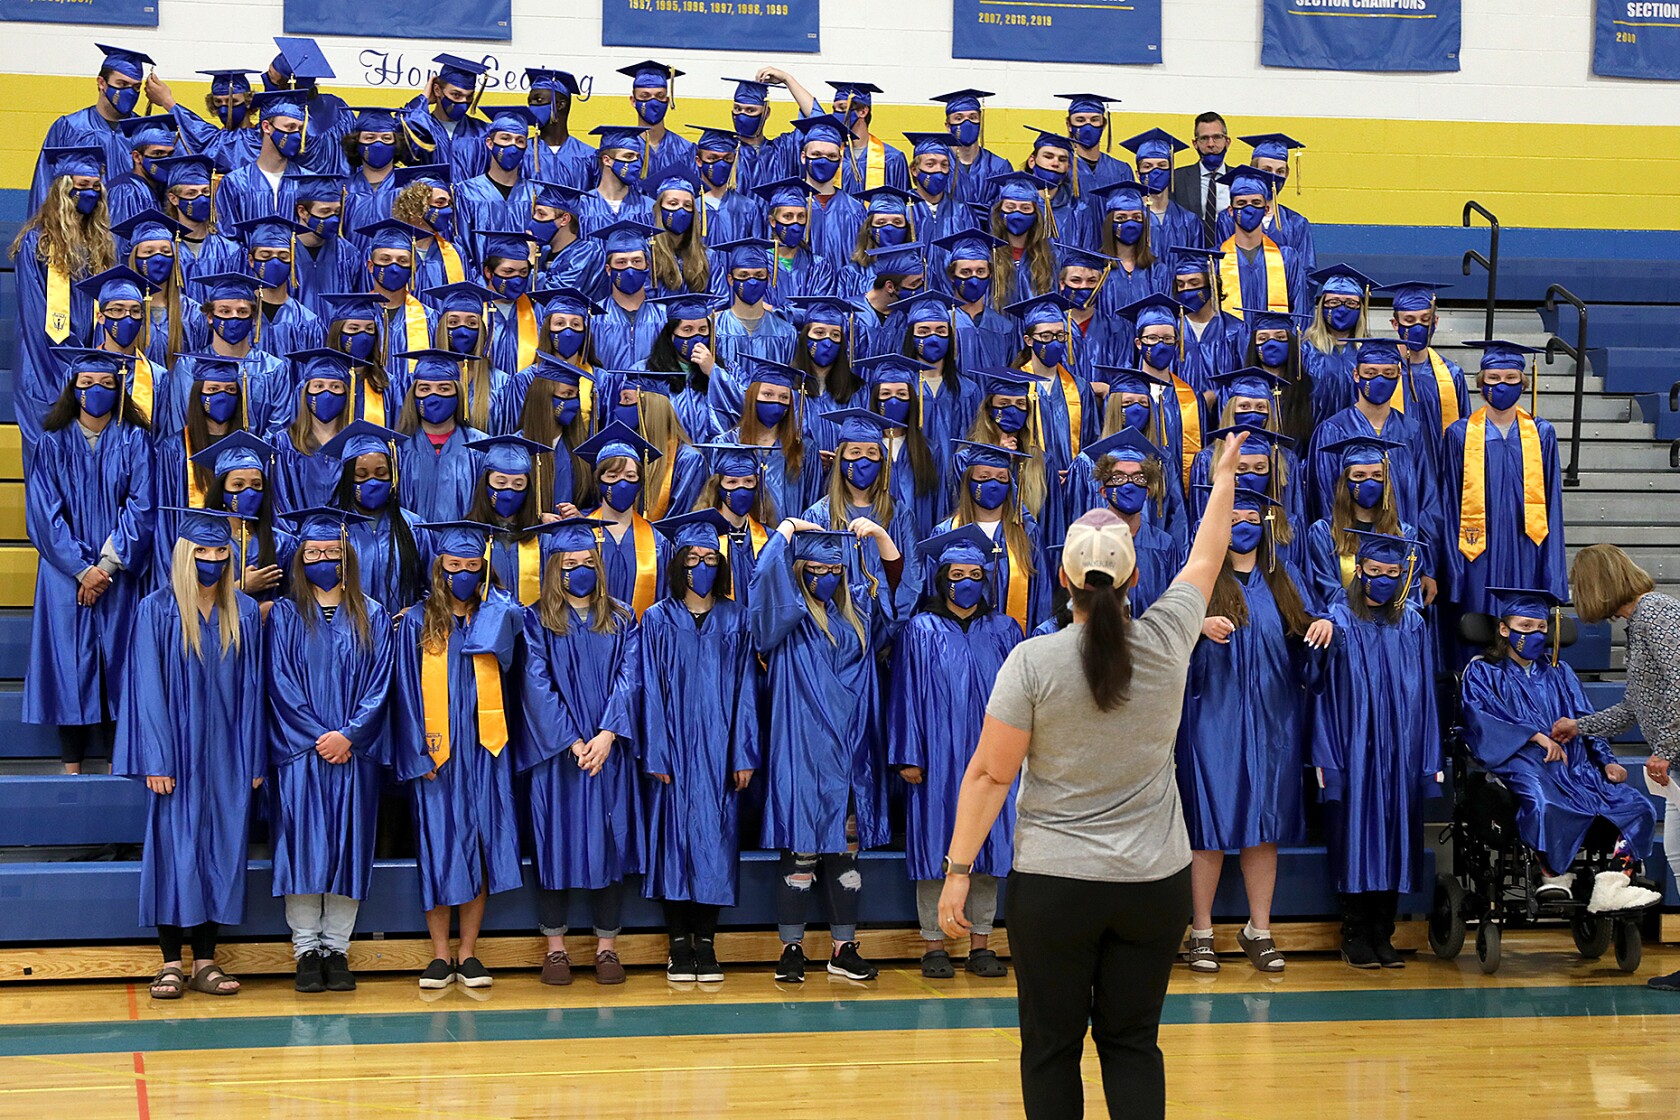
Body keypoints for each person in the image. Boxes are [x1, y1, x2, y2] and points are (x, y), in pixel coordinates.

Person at [938, 431, 1246, 1120]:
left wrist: (959, 870)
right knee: (1132, 1044)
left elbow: (988, 776)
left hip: (1055, 887)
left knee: (1051, 1049)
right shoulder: (1169, 639)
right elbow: (1206, 556)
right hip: (1154, 886)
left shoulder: (1033, 660)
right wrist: (1224, 475)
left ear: (1063, 577)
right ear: (1135, 579)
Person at [1179, 488, 1332, 975]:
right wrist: (1197, 626)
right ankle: (1201, 931)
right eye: (1232, 517)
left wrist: (1321, 631)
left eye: (1250, 516)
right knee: (1207, 825)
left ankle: (1259, 930)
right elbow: (1161, 634)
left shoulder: (1285, 577)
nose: (1241, 525)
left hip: (1272, 718)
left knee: (1264, 826)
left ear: (1265, 524)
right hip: (1211, 716)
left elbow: (1306, 649)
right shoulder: (1197, 576)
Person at [115, 507, 266, 1000]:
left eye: (221, 551)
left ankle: (206, 961)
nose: (212, 559)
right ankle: (169, 963)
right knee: (174, 850)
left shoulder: (243, 611)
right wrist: (156, 758)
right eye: (202, 550)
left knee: (221, 850)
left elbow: (254, 690)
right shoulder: (156, 609)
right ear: (184, 554)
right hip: (176, 753)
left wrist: (254, 758)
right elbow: (146, 689)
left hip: (227, 753)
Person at [389, 520, 529, 990]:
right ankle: (439, 955)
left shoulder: (496, 617)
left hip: (486, 751)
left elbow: (516, 660)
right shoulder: (416, 622)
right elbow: (405, 693)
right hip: (437, 757)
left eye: (473, 566)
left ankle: (468, 954)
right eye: (455, 566)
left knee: (480, 847)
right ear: (439, 569)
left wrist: (496, 602)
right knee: (439, 848)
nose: (464, 575)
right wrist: (418, 755)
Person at [1462, 586, 1659, 913]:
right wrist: (1535, 736)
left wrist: (1607, 761)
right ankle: (1554, 875)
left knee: (1638, 807)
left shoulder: (1560, 672)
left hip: (1576, 766)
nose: (1535, 635)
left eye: (1541, 628)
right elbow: (1480, 720)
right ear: (1504, 629)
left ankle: (1613, 883)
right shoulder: (1483, 672)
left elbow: (1585, 720)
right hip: (1523, 762)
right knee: (1545, 802)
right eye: (1525, 627)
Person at [750, 523, 889, 983]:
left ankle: (843, 948)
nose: (825, 577)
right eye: (815, 569)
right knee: (801, 851)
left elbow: (899, 602)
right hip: (802, 750)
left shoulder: (858, 617)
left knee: (846, 852)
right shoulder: (789, 620)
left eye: (834, 570)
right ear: (798, 571)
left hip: (850, 751)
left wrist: (882, 540)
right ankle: (790, 948)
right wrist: (785, 531)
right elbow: (764, 585)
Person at [266, 508, 394, 994]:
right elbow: (278, 683)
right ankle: (305, 950)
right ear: (300, 558)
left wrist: (350, 735)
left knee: (348, 848)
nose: (323, 560)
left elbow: (382, 685)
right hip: (300, 754)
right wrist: (319, 735)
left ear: (348, 558)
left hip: (353, 755)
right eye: (313, 552)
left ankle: (337, 950)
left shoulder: (373, 615)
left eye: (332, 553)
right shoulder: (284, 615)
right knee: (302, 849)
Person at [890, 525, 1021, 979]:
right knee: (936, 848)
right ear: (942, 578)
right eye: (957, 574)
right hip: (937, 759)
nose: (966, 582)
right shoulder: (919, 630)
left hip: (992, 757)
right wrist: (908, 753)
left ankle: (981, 943)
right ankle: (933, 944)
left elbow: (1021, 697)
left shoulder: (1005, 630)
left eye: (975, 574)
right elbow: (905, 693)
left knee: (987, 846)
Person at [518, 517, 641, 987]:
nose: (580, 570)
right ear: (554, 568)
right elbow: (535, 684)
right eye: (569, 564)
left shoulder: (623, 617)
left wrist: (607, 734)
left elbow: (632, 678)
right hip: (558, 757)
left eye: (588, 562)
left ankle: (607, 948)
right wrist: (571, 741)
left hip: (608, 754)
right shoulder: (535, 620)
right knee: (555, 844)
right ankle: (556, 950)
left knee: (609, 842)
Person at [1310, 529, 1442, 969]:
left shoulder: (1413, 624)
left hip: (1400, 752)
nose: (1383, 579)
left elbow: (1426, 696)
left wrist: (1426, 759)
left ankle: (1383, 933)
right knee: (1354, 840)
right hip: (1355, 750)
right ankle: (1354, 933)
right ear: (1359, 572)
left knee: (1396, 839)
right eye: (1375, 570)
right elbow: (1321, 692)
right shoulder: (1338, 619)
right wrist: (1329, 758)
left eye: (1392, 572)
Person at [640, 509, 762, 983]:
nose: (702, 566)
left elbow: (747, 691)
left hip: (719, 750)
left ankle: (706, 944)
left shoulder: (736, 618)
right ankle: (677, 946)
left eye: (711, 558)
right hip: (671, 751)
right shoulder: (656, 619)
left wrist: (743, 754)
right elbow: (649, 690)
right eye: (693, 558)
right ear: (678, 564)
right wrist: (656, 751)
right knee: (673, 844)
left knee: (715, 841)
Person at [1552, 544, 1680, 991]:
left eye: (1577, 586)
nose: (1575, 595)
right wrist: (1579, 726)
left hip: (1677, 754)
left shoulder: (1655, 613)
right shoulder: (1638, 621)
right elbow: (1632, 708)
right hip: (1677, 762)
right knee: (1677, 856)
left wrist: (1666, 748)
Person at [25, 348, 154, 775]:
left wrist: (107, 566)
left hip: (118, 573)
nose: (96, 390)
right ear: (72, 389)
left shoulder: (134, 440)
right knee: (69, 666)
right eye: (87, 384)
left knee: (120, 664)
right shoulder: (52, 442)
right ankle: (72, 774)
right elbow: (44, 516)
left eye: (106, 383)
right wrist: (83, 569)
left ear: (119, 389)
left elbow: (141, 507)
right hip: (65, 575)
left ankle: (119, 770)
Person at [1442, 340, 1567, 615]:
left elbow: (1552, 504)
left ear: (1523, 384)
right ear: (1481, 383)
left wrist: (1553, 570)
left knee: (1523, 618)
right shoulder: (1459, 434)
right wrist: (1454, 568)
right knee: (1477, 622)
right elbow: (1449, 503)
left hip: (1528, 547)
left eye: (1511, 378)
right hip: (1476, 549)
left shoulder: (1542, 433)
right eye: (1494, 378)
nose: (1502, 384)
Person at [11, 145, 112, 453]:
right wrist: (61, 370)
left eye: (96, 187)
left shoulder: (99, 244)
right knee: (47, 450)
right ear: (64, 190)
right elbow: (34, 313)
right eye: (83, 186)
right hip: (41, 360)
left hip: (86, 361)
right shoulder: (37, 243)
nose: (91, 193)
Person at [322, 420, 433, 615]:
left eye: (381, 474)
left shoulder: (414, 527)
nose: (372, 481)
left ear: (392, 477)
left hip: (401, 630)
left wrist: (416, 612)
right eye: (361, 474)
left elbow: (434, 587)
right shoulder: (331, 528)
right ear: (348, 479)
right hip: (349, 629)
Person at [29, 44, 153, 213]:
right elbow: (45, 183)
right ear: (101, 83)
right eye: (122, 84)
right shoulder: (69, 127)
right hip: (81, 224)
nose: (130, 92)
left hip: (131, 223)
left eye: (136, 87)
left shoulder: (143, 132)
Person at [571, 422, 672, 618]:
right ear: (599, 480)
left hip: (642, 635)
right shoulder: (581, 535)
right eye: (612, 476)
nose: (622, 483)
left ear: (640, 483)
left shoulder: (659, 542)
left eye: (630, 476)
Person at [393, 349, 487, 522]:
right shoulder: (398, 448)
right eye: (425, 388)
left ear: (457, 393)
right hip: (411, 537)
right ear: (413, 395)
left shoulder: (480, 447)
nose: (434, 395)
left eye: (444, 388)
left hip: (462, 539)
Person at [1216, 168, 1305, 317]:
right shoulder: (1215, 259)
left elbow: (1299, 309)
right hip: (1229, 332)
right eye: (1241, 203)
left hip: (1275, 332)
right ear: (1230, 211)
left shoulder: (1287, 258)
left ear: (1266, 209)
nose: (1249, 208)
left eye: (1256, 203)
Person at [929, 88, 1010, 204]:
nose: (967, 123)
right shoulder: (937, 166)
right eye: (959, 118)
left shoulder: (999, 167)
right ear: (948, 126)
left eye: (973, 117)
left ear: (980, 122)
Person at [524, 68, 595, 189]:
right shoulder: (524, 152)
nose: (531, 107)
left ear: (560, 105)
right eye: (530, 102)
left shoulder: (588, 155)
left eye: (539, 100)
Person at [1171, 111, 1231, 247]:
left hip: (1230, 254)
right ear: (1195, 143)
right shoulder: (1177, 179)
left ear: (1227, 142)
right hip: (1190, 253)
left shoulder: (1240, 179)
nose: (1211, 144)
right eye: (1204, 138)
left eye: (1217, 137)